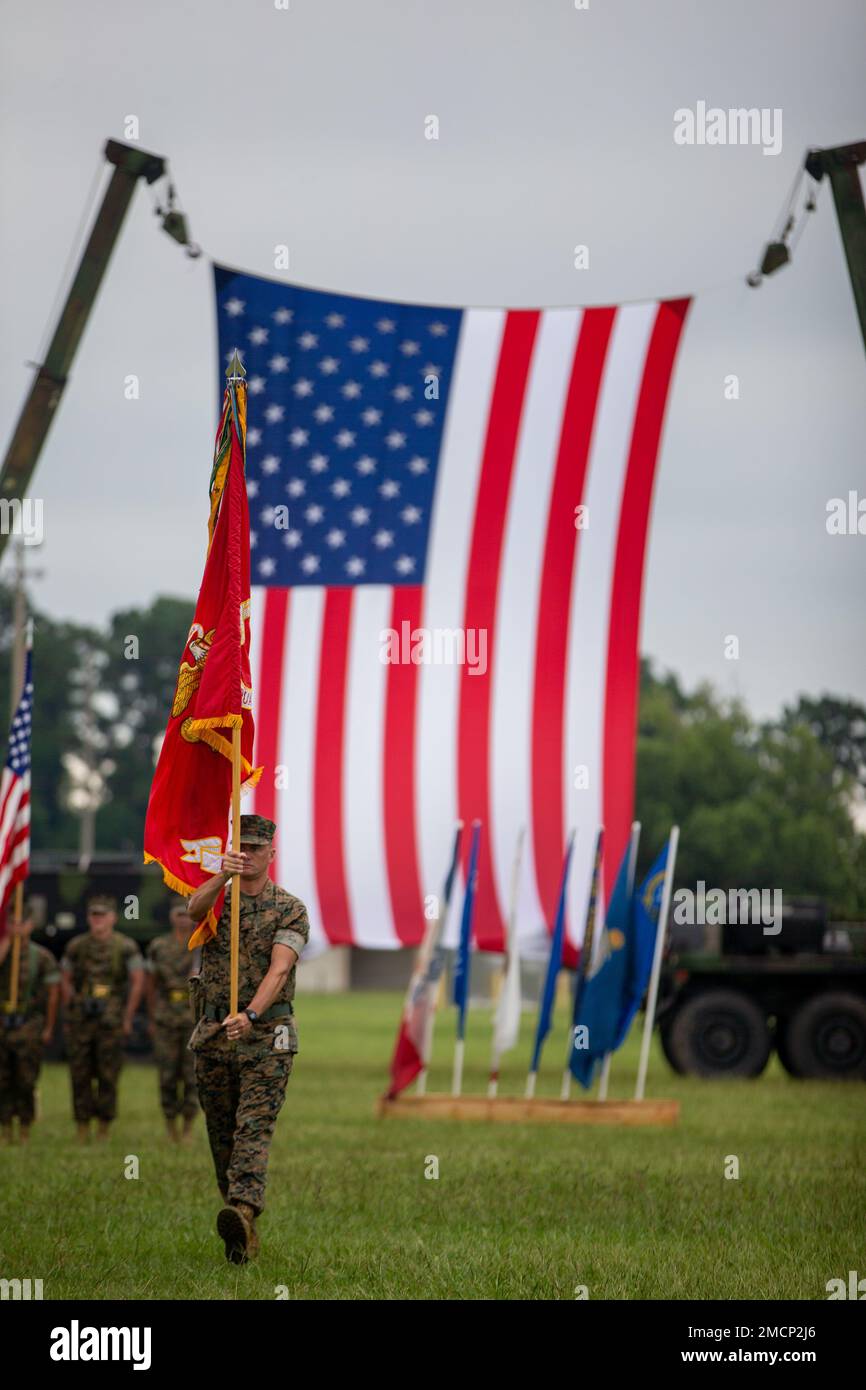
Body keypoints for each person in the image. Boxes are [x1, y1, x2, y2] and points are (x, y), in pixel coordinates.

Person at [187, 814, 309, 1264]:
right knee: (221, 1136)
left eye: (257, 848)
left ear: (272, 853)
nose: (250, 854)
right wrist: (223, 872)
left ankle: (242, 1207)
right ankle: (242, 1224)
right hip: (214, 1034)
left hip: (267, 1036)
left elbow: (280, 968)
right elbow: (191, 910)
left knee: (252, 1128)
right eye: (243, 847)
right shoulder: (220, 900)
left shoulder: (290, 908)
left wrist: (251, 1014)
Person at [60, 893, 145, 1141]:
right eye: (94, 915)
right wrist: (73, 1003)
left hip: (111, 1020)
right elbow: (64, 978)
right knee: (80, 1073)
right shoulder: (77, 946)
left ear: (113, 918)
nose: (98, 920)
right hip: (82, 1020)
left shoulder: (125, 946)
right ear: (88, 918)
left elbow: (137, 981)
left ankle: (104, 1127)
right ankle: (82, 1126)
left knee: (108, 1074)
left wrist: (127, 1017)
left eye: (103, 915)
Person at [0, 907, 60, 1143]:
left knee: (26, 1079)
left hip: (28, 1024)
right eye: (11, 923)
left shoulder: (41, 956)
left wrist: (47, 1027)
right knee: (2, 1079)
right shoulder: (4, 953)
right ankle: (5, 1128)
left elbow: (52, 994)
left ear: (29, 926)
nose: (16, 928)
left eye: (20, 923)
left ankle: (24, 1127)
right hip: (3, 1023)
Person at [146, 900, 201, 1142]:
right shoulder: (159, 946)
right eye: (178, 914)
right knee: (167, 1075)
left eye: (186, 914)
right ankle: (171, 1126)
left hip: (192, 1018)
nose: (182, 919)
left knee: (191, 1075)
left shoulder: (200, 945)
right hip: (166, 1016)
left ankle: (188, 1127)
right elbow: (151, 984)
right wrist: (152, 1014)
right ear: (171, 917)